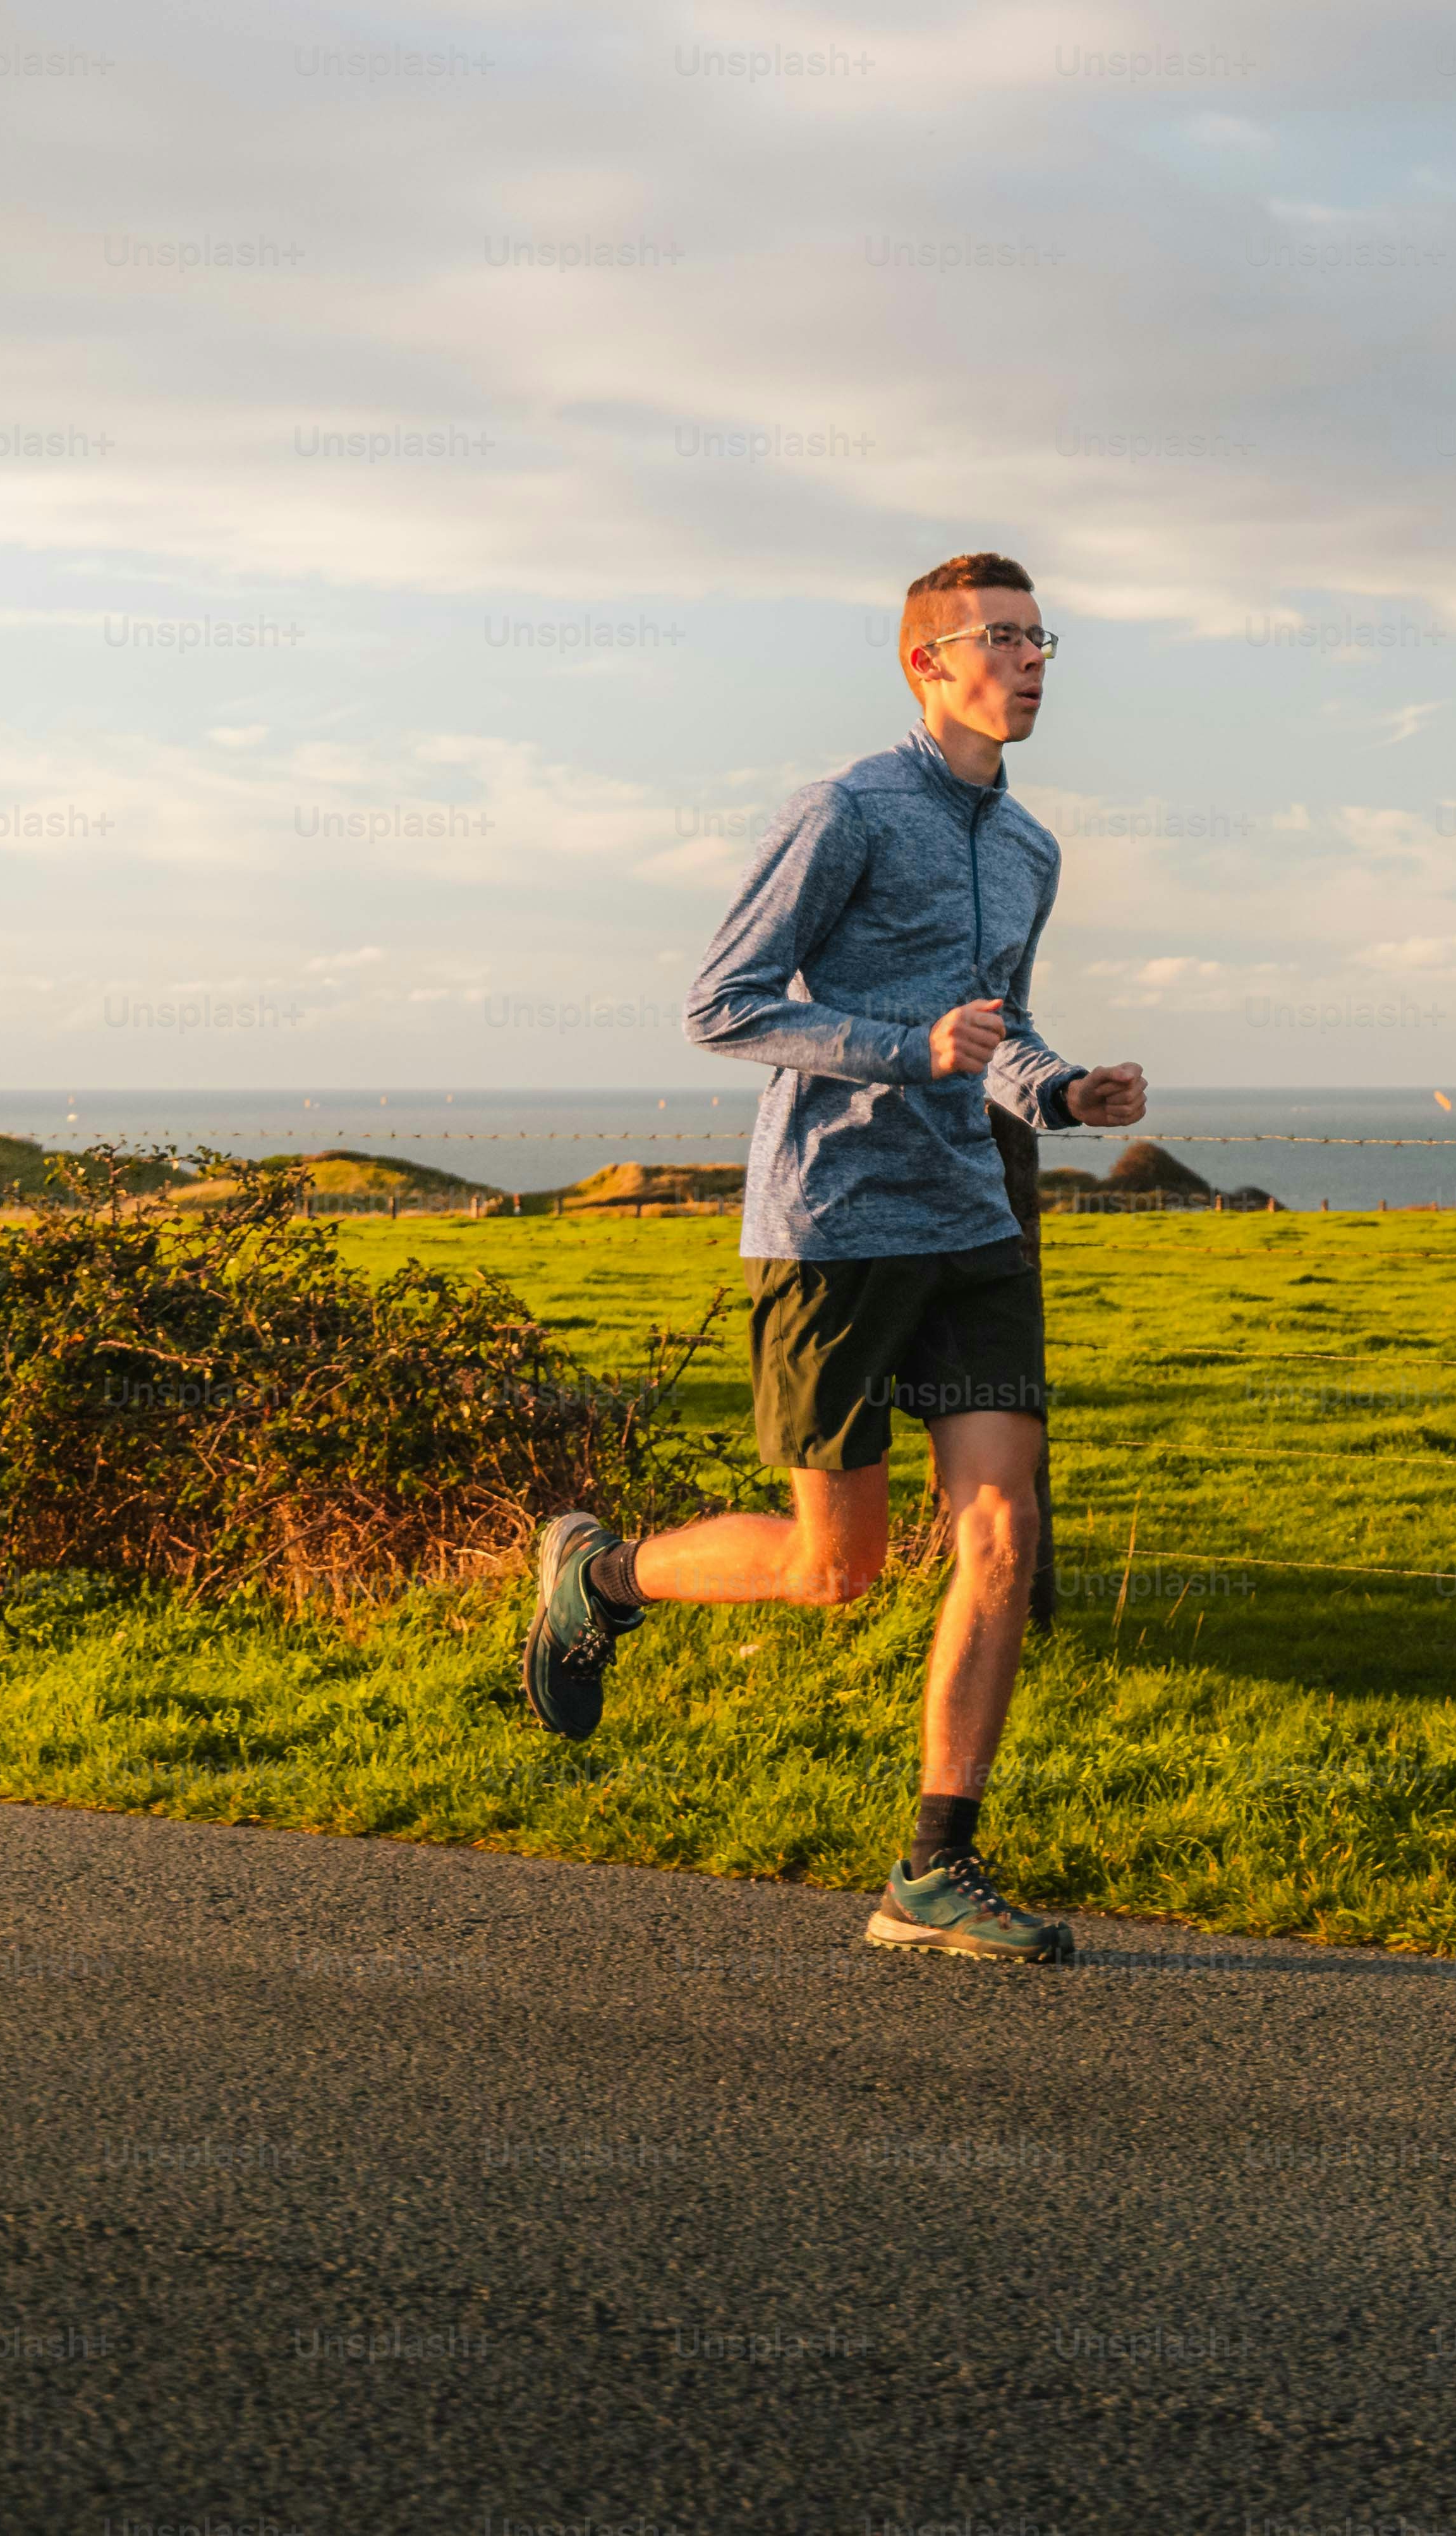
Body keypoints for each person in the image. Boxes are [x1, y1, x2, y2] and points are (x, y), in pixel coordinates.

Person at [519, 551, 1145, 1965]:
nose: (1031, 659)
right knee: (835, 1565)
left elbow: (999, 1033)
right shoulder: (847, 811)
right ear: (926, 663)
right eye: (1001, 637)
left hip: (974, 1220)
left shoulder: (1031, 847)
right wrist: (899, 1047)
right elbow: (722, 1005)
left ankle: (935, 1867)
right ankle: (603, 1577)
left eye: (1044, 637)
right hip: (834, 1222)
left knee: (1000, 1526)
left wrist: (1060, 1093)